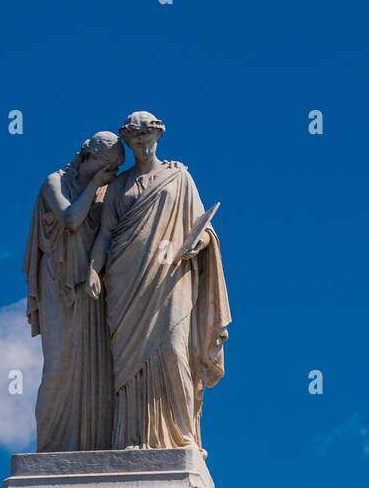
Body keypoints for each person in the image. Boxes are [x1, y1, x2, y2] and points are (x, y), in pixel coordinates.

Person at [88, 110, 231, 450]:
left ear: (158, 137)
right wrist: (94, 269)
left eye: (147, 137)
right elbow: (106, 233)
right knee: (127, 362)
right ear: (128, 140)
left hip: (170, 275)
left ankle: (182, 436)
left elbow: (204, 227)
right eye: (135, 138)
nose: (141, 143)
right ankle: (133, 437)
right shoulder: (118, 186)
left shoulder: (180, 178)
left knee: (172, 349)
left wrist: (200, 240)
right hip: (124, 279)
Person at [23, 131, 124, 451]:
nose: (111, 175)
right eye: (107, 166)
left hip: (92, 284)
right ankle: (52, 446)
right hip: (59, 280)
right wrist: (96, 185)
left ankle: (92, 444)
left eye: (115, 170)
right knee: (60, 363)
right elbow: (70, 219)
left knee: (96, 367)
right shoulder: (54, 182)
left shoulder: (107, 190)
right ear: (89, 157)